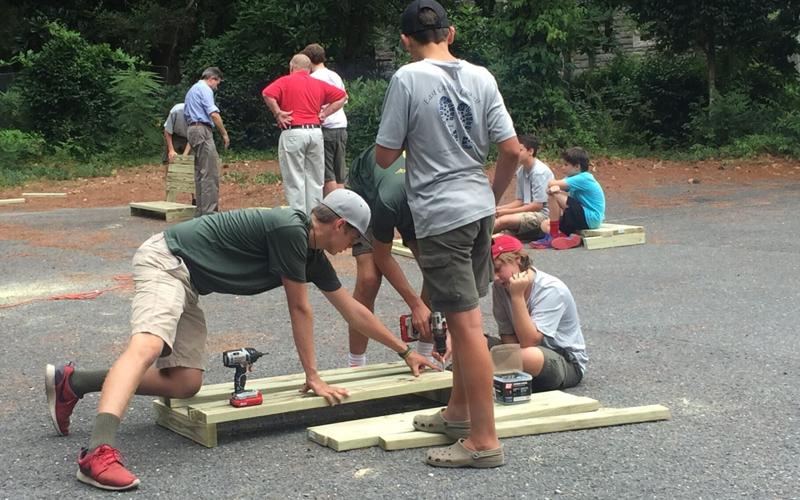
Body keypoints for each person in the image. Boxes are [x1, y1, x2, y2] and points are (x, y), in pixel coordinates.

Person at [45, 189, 436, 491]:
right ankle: (97, 453)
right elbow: (300, 308)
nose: (353, 248)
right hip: (167, 261)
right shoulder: (290, 229)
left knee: (185, 383)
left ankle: (73, 381)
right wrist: (313, 376)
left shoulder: (312, 254)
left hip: (189, 282)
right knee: (148, 345)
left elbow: (353, 310)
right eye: (354, 239)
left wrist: (405, 353)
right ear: (339, 225)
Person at [375, 0, 520, 468]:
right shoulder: (482, 76)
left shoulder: (407, 78)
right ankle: (458, 414)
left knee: (467, 328)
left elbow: (384, 155)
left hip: (440, 214)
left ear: (405, 40)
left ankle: (483, 440)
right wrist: (492, 198)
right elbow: (513, 150)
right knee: (466, 316)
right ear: (451, 33)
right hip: (477, 208)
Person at [345, 145, 436, 367]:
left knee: (435, 273)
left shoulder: (441, 197)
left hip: (412, 203)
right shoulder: (388, 200)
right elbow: (382, 255)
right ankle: (356, 365)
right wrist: (415, 304)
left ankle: (427, 354)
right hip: (367, 194)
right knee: (369, 279)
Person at [490, 234, 587, 390]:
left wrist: (517, 296)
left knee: (528, 355)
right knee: (477, 342)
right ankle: (480, 376)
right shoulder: (500, 286)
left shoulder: (551, 289)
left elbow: (529, 341)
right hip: (522, 353)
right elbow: (507, 334)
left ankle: (473, 376)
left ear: (518, 260)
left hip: (563, 361)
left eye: (497, 269)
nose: (494, 277)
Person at [262, 54, 348, 214]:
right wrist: (324, 114)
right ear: (309, 69)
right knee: (315, 180)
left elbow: (267, 93)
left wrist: (278, 113)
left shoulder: (284, 81)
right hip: (315, 132)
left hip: (293, 131)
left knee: (295, 180)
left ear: (291, 66)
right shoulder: (318, 83)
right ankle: (314, 220)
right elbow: (342, 96)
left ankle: (298, 220)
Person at [530, 146, 606, 250]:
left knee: (554, 194)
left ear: (577, 167)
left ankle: (554, 235)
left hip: (590, 216)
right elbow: (555, 186)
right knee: (544, 224)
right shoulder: (572, 178)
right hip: (580, 216)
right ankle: (570, 237)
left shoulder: (584, 177)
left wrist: (554, 189)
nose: (563, 167)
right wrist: (554, 188)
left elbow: (552, 183)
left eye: (566, 165)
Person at [302, 43, 349, 196]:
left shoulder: (312, 79)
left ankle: (332, 209)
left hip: (325, 129)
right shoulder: (334, 75)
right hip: (341, 127)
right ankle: (343, 207)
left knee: (327, 174)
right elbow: (344, 99)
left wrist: (322, 114)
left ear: (309, 60)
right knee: (339, 173)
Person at [183, 67, 230, 216]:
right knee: (210, 172)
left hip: (191, 130)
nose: (217, 87)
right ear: (212, 79)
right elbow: (214, 114)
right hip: (202, 130)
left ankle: (201, 212)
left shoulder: (192, 90)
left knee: (200, 173)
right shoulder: (205, 89)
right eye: (218, 83)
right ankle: (210, 214)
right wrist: (224, 134)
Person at [493, 134, 553, 241]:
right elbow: (520, 201)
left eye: (520, 150)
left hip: (543, 217)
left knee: (502, 221)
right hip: (527, 213)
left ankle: (472, 239)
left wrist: (504, 212)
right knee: (502, 232)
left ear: (530, 151)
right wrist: (498, 209)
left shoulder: (539, 172)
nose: (516, 153)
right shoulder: (521, 171)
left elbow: (536, 206)